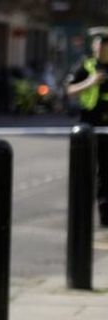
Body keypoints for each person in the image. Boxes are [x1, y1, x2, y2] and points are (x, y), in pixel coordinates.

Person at [67, 28, 108, 225]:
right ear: (93, 47)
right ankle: (81, 219)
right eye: (99, 45)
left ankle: (105, 217)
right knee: (84, 172)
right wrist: (90, 82)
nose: (102, 49)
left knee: (106, 175)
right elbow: (70, 90)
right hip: (88, 127)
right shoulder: (86, 66)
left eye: (105, 45)